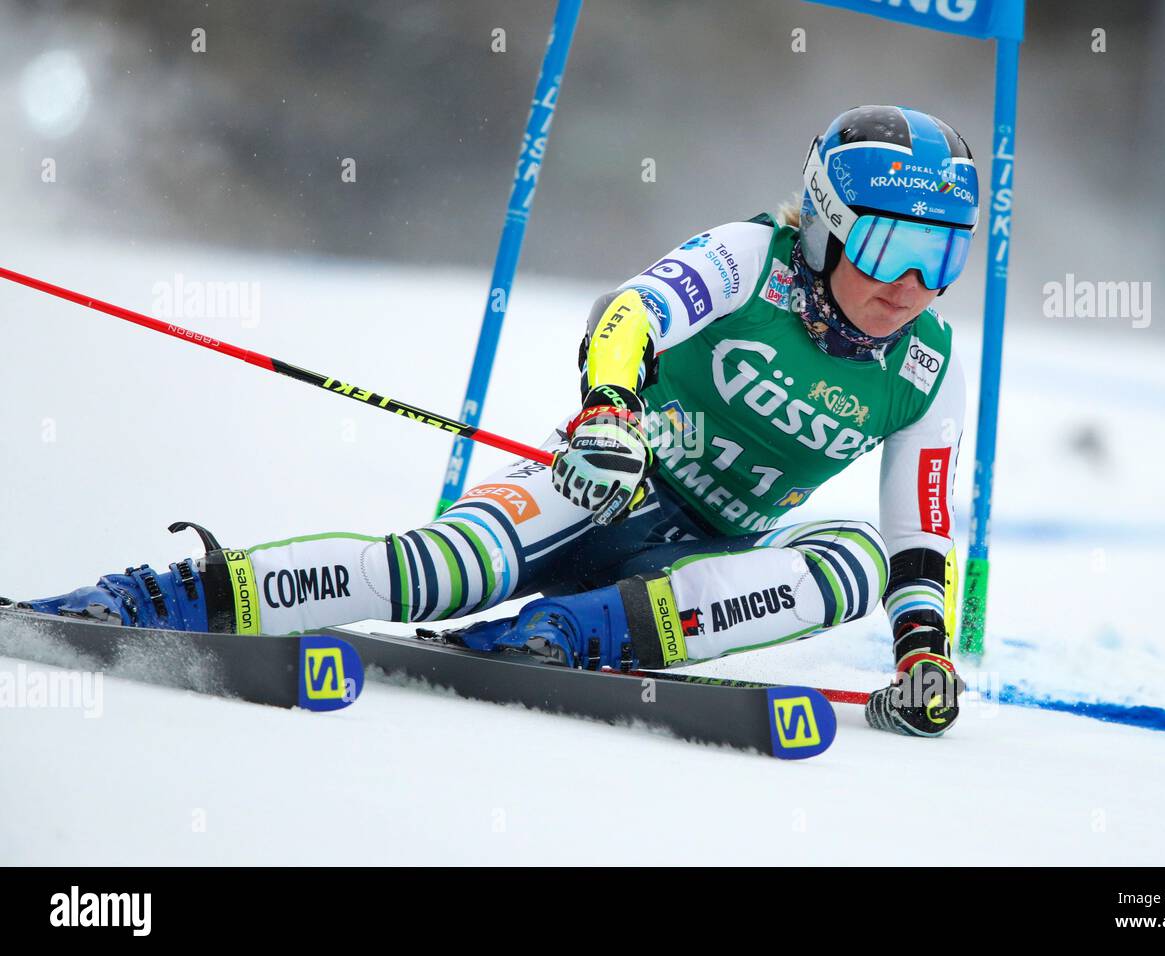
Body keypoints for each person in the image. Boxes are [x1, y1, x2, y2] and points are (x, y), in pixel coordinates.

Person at [17, 106, 976, 737]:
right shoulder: (749, 258)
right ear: (824, 221)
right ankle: (160, 598)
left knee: (852, 560)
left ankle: (568, 635)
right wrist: (611, 412)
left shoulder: (927, 366)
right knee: (439, 569)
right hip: (604, 487)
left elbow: (920, 534)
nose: (912, 285)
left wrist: (922, 657)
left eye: (943, 258)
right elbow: (631, 314)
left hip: (701, 567)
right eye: (892, 245)